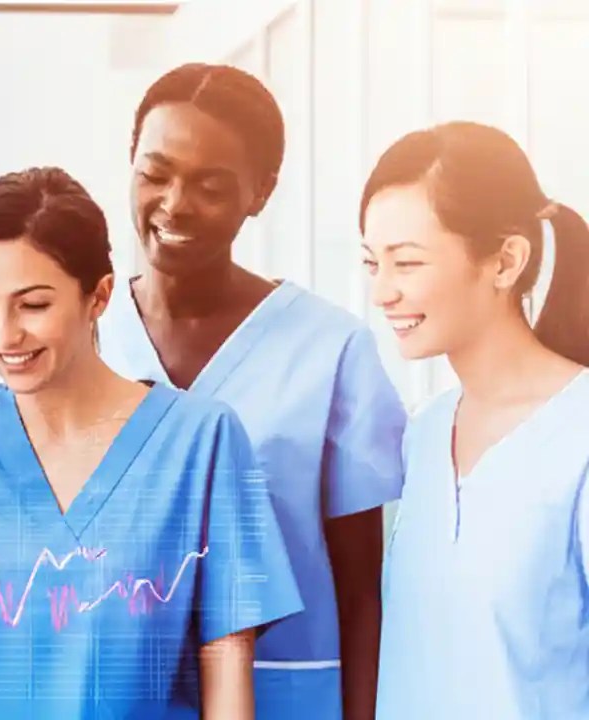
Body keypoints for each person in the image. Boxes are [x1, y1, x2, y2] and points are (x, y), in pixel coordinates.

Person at [0, 167, 303, 719]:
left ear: (98, 296)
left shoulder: (201, 442)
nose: (3, 335)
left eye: (33, 305)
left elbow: (227, 669)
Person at [96, 63, 406, 720]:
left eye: (210, 186)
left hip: (286, 697)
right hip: (116, 694)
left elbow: (361, 593)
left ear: (260, 192)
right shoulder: (83, 338)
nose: (174, 204)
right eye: (154, 174)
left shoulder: (329, 350)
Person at [365, 121, 589, 719]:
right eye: (372, 264)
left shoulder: (580, 438)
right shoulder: (426, 432)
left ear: (505, 260)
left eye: (405, 263)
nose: (382, 292)